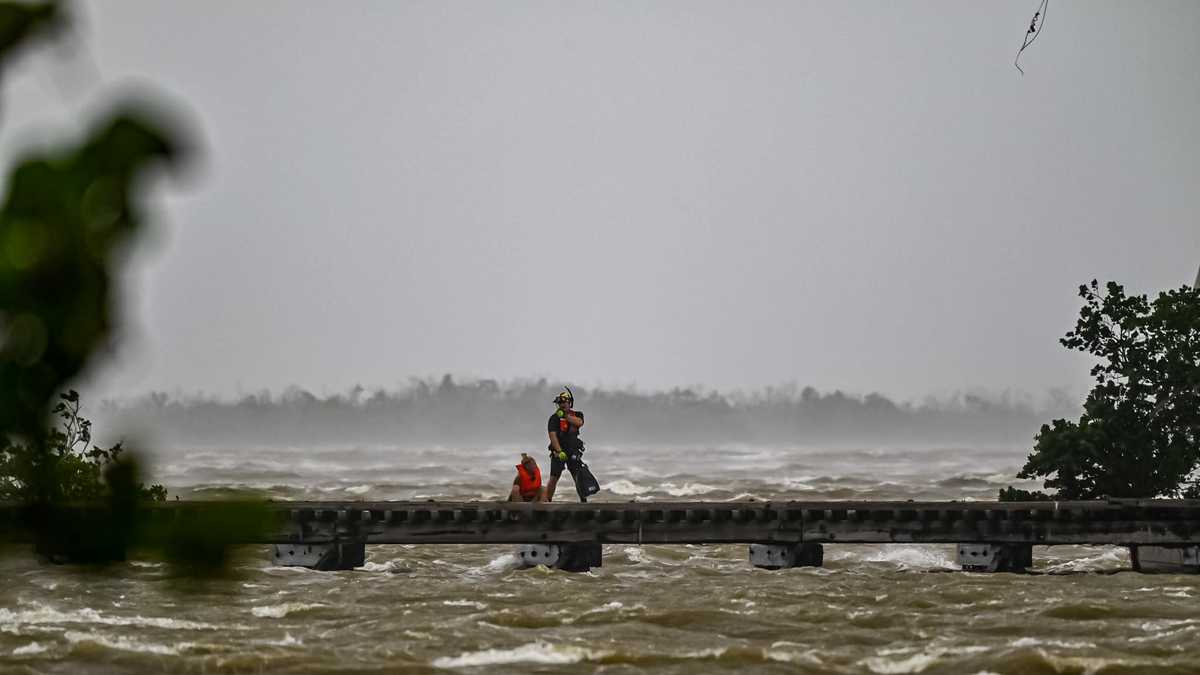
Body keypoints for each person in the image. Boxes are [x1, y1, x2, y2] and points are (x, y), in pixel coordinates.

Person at [544, 388, 586, 502]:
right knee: (554, 477)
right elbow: (552, 436)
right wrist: (559, 451)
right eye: (560, 403)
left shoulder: (578, 414)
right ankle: (547, 501)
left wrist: (566, 416)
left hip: (573, 450)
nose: (562, 405)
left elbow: (579, 423)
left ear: (569, 403)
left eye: (564, 402)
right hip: (559, 452)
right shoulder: (554, 418)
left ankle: (583, 500)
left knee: (577, 476)